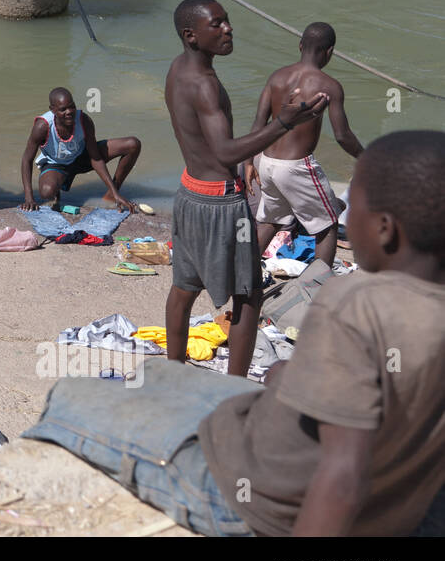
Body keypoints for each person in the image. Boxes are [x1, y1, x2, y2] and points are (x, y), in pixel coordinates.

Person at [24, 130, 445, 537]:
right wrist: (292, 377)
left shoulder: (357, 303)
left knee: (72, 397)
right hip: (382, 501)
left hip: (255, 497)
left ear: (386, 229)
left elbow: (342, 474)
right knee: (168, 378)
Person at [163, 0, 326, 377]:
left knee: (184, 288)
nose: (228, 29)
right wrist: (283, 123)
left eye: (227, 21)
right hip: (220, 204)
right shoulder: (206, 85)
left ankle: (171, 372)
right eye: (216, 25)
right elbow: (223, 151)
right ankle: (233, 386)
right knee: (248, 295)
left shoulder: (177, 69)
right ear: (191, 35)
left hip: (189, 192)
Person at [243, 22, 363, 267]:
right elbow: (342, 135)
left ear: (300, 45)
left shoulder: (277, 76)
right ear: (329, 51)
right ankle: (318, 287)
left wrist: (248, 162)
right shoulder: (329, 85)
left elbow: (258, 122)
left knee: (271, 221)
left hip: (265, 161)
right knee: (328, 225)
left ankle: (245, 275)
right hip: (296, 166)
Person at [18, 87, 139, 212]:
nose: (69, 112)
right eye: (63, 109)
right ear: (52, 110)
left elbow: (96, 159)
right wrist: (29, 198)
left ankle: (111, 195)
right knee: (46, 192)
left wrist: (115, 193)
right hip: (56, 164)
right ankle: (57, 188)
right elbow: (26, 159)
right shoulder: (42, 126)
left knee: (132, 144)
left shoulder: (84, 121)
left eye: (72, 106)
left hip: (81, 158)